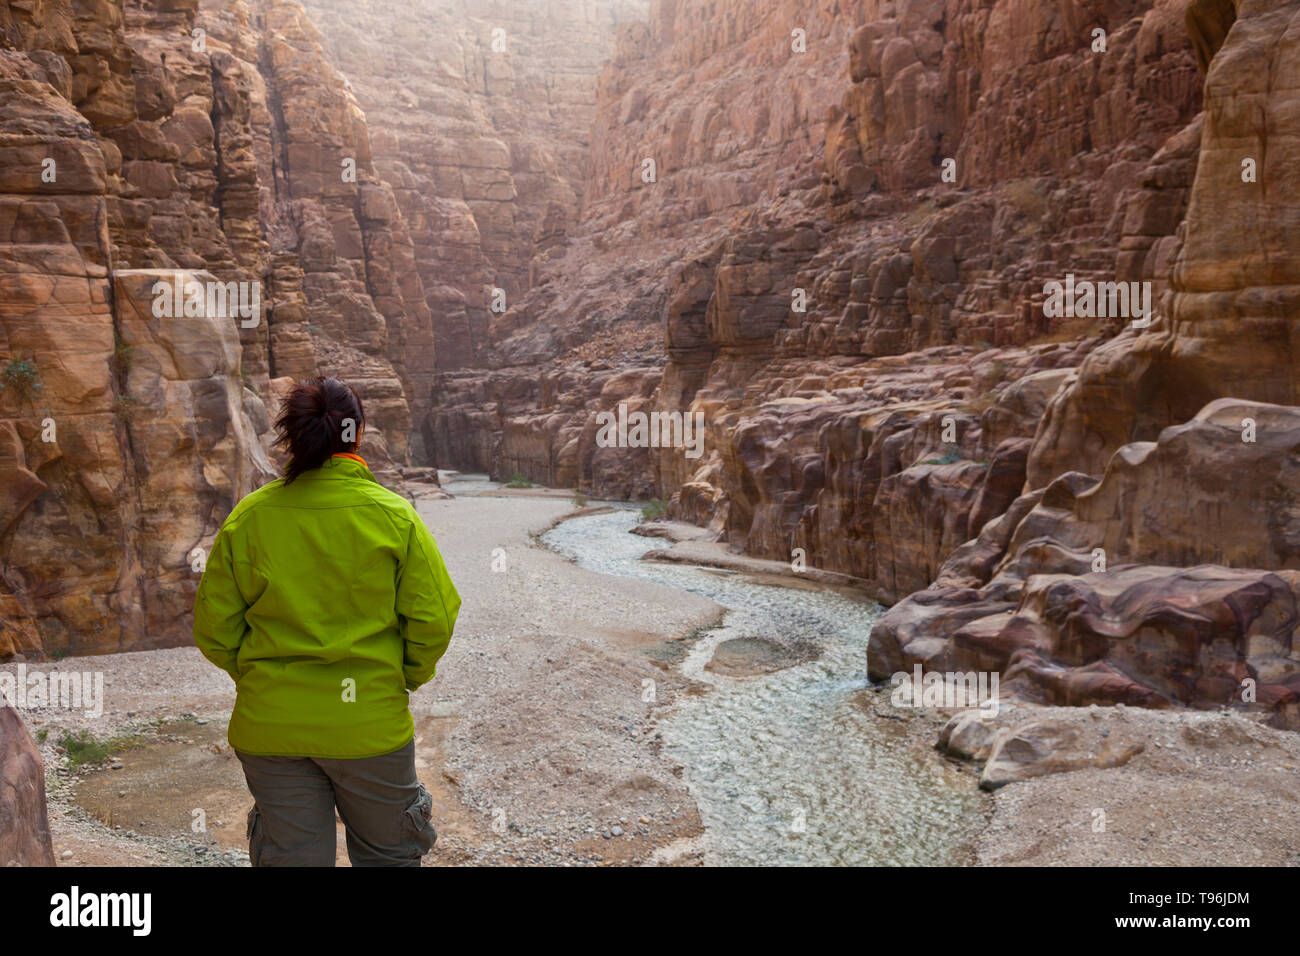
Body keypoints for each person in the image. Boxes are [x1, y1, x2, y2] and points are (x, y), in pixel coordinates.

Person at [193, 376, 460, 866]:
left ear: (291, 438)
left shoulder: (248, 519)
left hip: (270, 726)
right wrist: (404, 676)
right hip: (369, 725)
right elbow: (434, 620)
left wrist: (262, 678)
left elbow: (214, 629)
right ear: (356, 435)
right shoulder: (394, 517)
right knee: (389, 855)